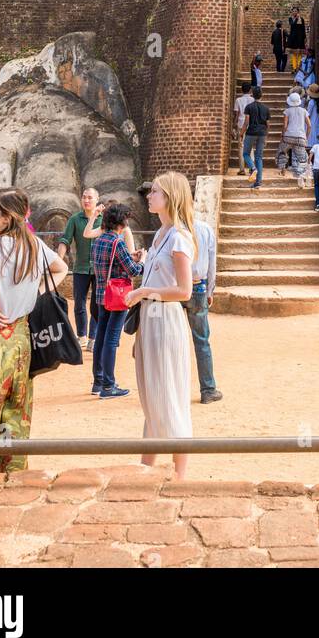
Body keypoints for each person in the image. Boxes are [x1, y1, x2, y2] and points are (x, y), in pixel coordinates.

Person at [0, 188, 68, 475]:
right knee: (13, 413)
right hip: (21, 338)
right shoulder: (34, 244)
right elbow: (61, 268)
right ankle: (8, 473)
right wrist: (35, 295)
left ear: (7, 218)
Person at [125, 173, 196, 478]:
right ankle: (146, 468)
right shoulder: (160, 235)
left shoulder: (179, 237)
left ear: (170, 197)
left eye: (155, 192)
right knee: (153, 397)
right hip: (151, 320)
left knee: (169, 396)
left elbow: (184, 291)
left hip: (166, 319)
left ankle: (180, 476)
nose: (149, 196)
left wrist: (145, 291)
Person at [90, 203, 145, 399]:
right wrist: (142, 261)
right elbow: (133, 271)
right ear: (121, 222)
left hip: (101, 294)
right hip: (117, 295)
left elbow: (110, 263)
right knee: (111, 339)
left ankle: (98, 381)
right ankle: (108, 385)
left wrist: (130, 258)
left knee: (101, 337)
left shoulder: (99, 240)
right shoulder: (117, 242)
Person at [56, 189, 103, 349]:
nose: (86, 200)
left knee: (97, 304)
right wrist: (58, 260)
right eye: (84, 197)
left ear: (97, 199)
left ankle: (93, 338)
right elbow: (65, 240)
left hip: (100, 269)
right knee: (79, 304)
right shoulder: (75, 219)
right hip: (80, 268)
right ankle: (81, 336)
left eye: (90, 197)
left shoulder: (104, 219)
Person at [186, 214, 222, 404]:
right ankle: (208, 390)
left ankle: (174, 389)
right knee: (201, 340)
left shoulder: (170, 230)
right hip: (198, 287)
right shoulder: (205, 229)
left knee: (172, 339)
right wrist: (210, 290)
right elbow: (212, 263)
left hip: (173, 288)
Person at [277, 91, 311, 181]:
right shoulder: (304, 111)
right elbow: (309, 126)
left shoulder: (287, 111)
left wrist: (282, 135)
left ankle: (283, 170)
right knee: (302, 158)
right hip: (300, 137)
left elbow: (285, 126)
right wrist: (306, 137)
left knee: (282, 152)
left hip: (288, 137)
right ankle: (300, 178)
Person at [243, 84, 271, 188]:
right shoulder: (266, 109)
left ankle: (253, 168)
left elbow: (246, 122)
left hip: (251, 132)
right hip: (262, 133)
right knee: (259, 157)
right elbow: (268, 125)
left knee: (246, 154)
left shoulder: (249, 107)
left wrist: (241, 133)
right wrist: (266, 136)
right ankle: (258, 182)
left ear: (252, 95)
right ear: (261, 95)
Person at [232, 80, 253, 174]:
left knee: (241, 147)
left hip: (241, 125)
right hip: (251, 125)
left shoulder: (238, 100)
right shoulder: (253, 100)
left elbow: (236, 115)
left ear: (242, 90)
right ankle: (252, 168)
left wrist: (234, 126)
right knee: (250, 147)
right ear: (250, 90)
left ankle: (242, 169)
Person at [287, 9, 307, 73]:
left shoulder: (301, 19)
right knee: (294, 53)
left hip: (300, 38)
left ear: (298, 12)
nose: (294, 12)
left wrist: (304, 37)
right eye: (293, 11)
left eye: (296, 11)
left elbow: (303, 28)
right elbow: (293, 25)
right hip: (293, 38)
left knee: (300, 53)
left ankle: (299, 67)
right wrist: (296, 19)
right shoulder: (290, 19)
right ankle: (294, 68)